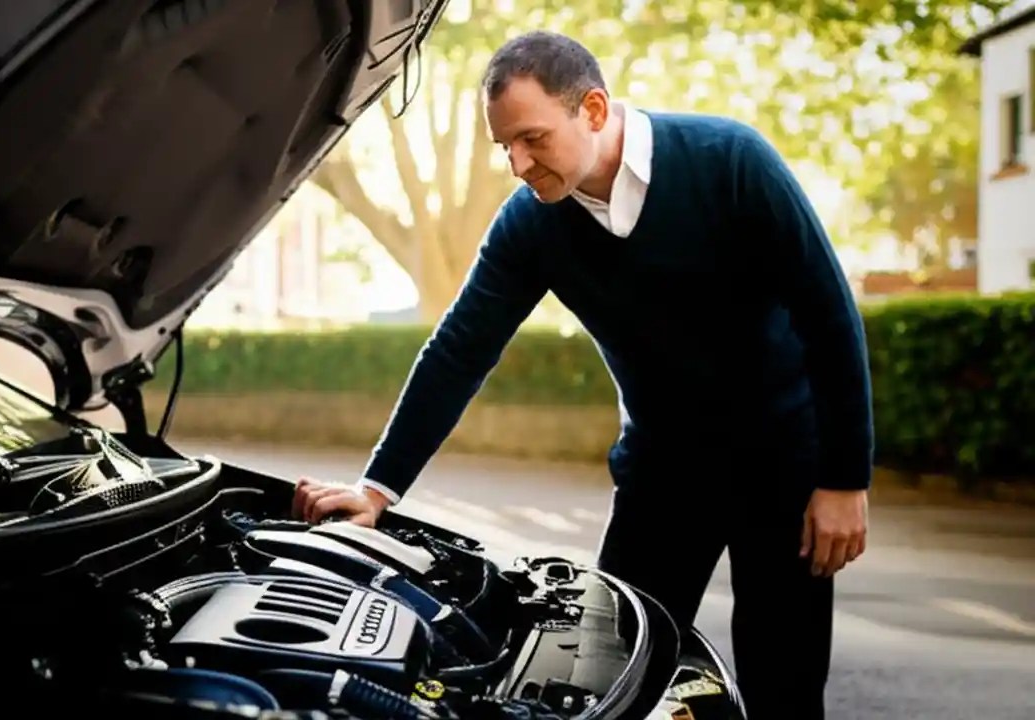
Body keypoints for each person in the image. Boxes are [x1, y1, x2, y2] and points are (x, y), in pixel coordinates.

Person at [292, 29, 871, 719]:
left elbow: (829, 317)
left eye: (532, 138)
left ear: (593, 110)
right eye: (505, 145)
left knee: (786, 687)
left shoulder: (730, 162)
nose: (517, 162)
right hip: (663, 476)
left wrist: (844, 479)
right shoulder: (532, 225)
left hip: (786, 470)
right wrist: (377, 488)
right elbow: (459, 349)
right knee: (603, 680)